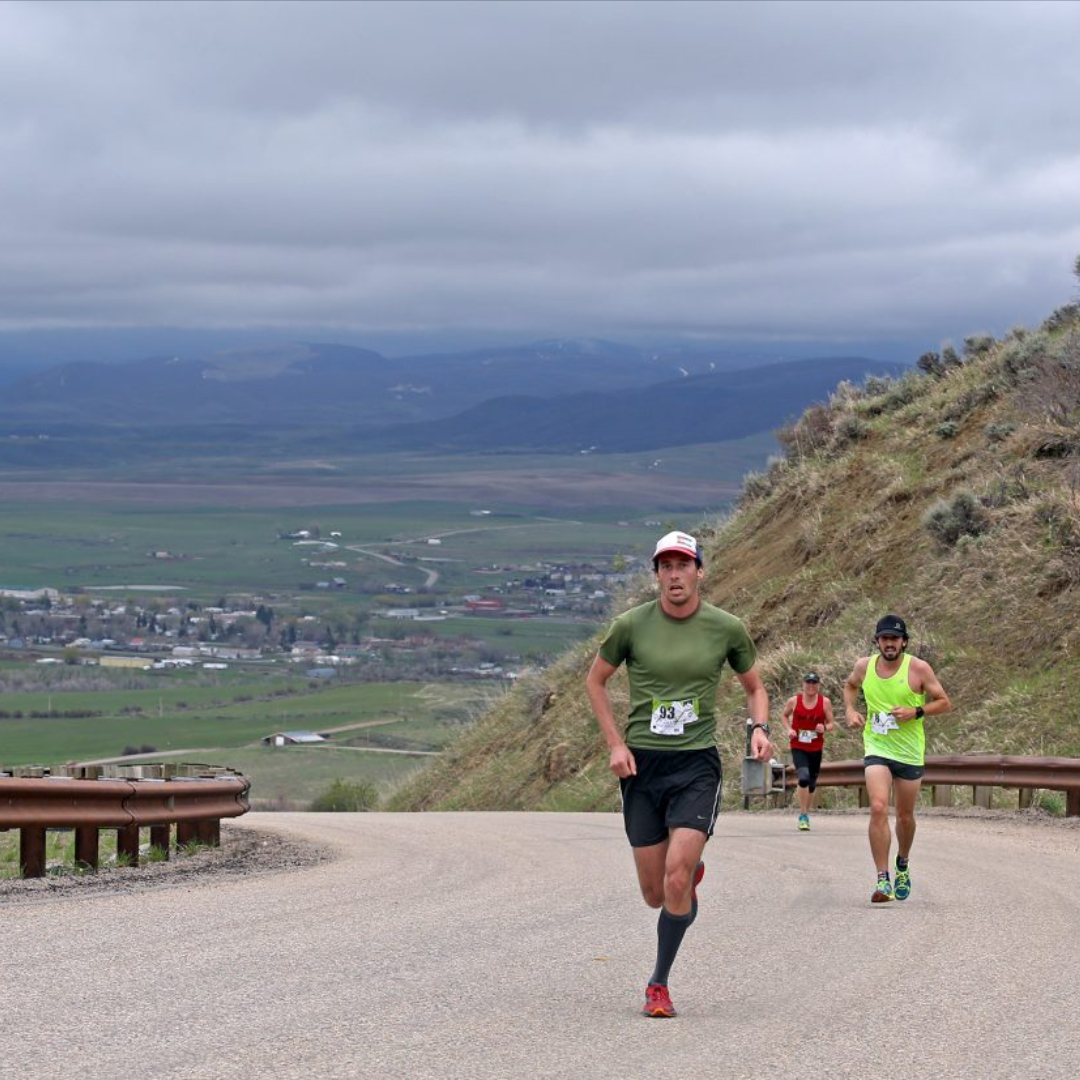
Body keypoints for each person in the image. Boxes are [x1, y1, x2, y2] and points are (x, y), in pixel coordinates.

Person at [585, 529, 774, 1018]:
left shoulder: (726, 628)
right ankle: (684, 882)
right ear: (657, 575)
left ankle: (658, 985)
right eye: (665, 566)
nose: (674, 575)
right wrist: (615, 744)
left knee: (674, 880)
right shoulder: (630, 626)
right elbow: (596, 681)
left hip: (695, 766)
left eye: (683, 565)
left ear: (699, 572)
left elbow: (755, 687)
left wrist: (759, 728)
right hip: (642, 767)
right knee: (654, 895)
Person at [843, 614, 951, 903]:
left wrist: (915, 712)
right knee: (878, 807)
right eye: (884, 638)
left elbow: (944, 702)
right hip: (877, 747)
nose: (889, 643)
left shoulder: (918, 668)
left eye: (894, 638)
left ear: (903, 642)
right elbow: (849, 686)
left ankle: (902, 862)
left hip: (908, 752)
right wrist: (850, 711)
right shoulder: (864, 667)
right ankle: (883, 879)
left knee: (904, 817)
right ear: (876, 641)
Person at [781, 672, 835, 831]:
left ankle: (806, 812)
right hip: (798, 745)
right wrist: (789, 729)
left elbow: (832, 723)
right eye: (808, 683)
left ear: (818, 685)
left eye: (814, 683)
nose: (811, 686)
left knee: (811, 783)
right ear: (803, 684)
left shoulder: (825, 702)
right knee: (803, 777)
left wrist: (824, 727)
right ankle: (803, 815)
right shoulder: (794, 701)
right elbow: (784, 716)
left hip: (816, 747)